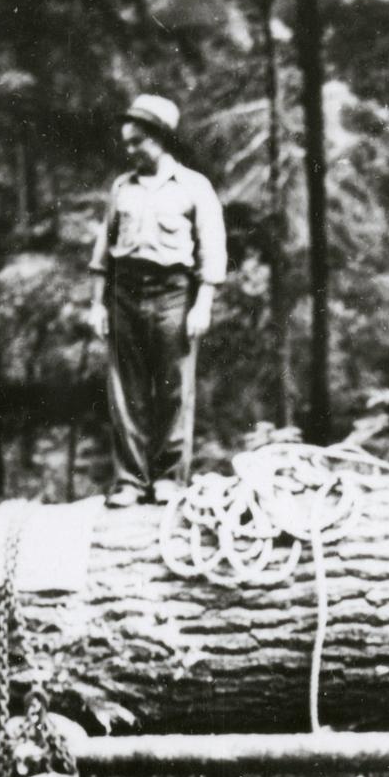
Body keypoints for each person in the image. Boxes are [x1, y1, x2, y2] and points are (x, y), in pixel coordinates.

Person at [86, 94, 227, 506]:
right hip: (124, 295)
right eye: (127, 143)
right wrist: (97, 304)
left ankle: (168, 478)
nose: (130, 151)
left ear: (161, 139)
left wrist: (203, 303)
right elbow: (102, 253)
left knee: (172, 388)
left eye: (138, 143)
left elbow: (213, 250)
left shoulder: (194, 187)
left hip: (174, 295)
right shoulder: (121, 188)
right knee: (124, 390)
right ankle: (130, 481)